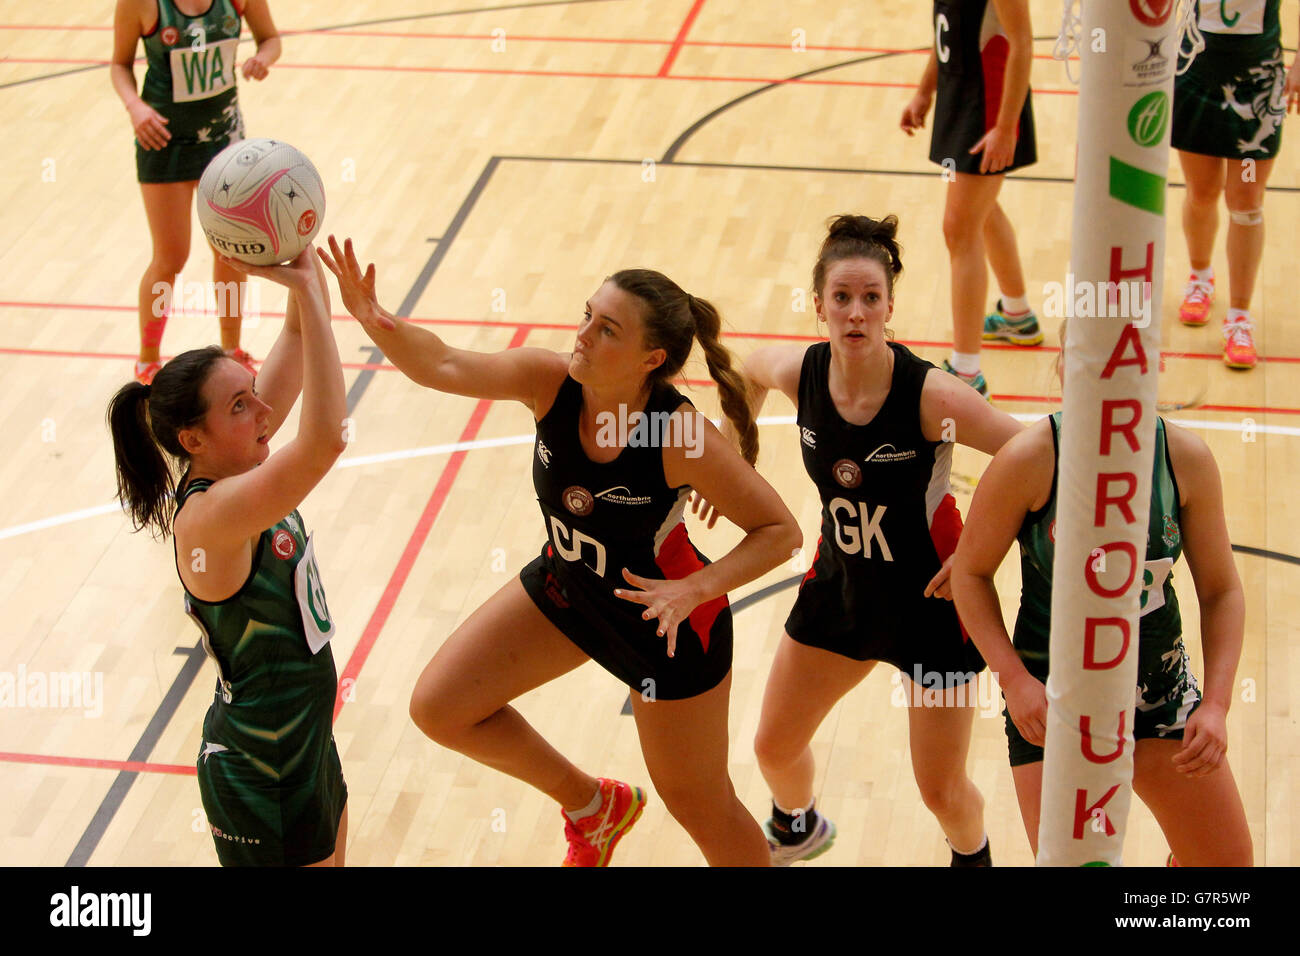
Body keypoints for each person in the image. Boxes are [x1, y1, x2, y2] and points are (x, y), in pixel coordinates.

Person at [319, 236, 801, 867]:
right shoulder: (549, 382)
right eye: (586, 316)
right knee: (441, 707)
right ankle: (591, 805)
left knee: (702, 805)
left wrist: (695, 589)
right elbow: (442, 364)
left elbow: (781, 532)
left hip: (669, 626)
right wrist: (373, 318)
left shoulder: (678, 435)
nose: (582, 335)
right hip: (569, 590)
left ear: (650, 358)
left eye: (606, 330)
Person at [697, 214, 1024, 866]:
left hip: (934, 609)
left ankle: (975, 860)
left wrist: (976, 551)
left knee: (942, 791)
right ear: (818, 305)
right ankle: (799, 827)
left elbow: (1031, 452)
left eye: (870, 298)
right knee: (772, 748)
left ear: (889, 308)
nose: (855, 312)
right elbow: (746, 374)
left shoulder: (931, 395)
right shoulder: (801, 371)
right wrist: (739, 453)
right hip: (841, 592)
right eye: (841, 297)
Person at [949, 327, 1253, 865]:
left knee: (1225, 881)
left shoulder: (1184, 458)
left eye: (1123, 368)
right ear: (1064, 366)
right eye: (1089, 364)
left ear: (1150, 370)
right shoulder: (1029, 459)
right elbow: (970, 575)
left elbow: (1223, 590)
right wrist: (1013, 680)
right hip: (1054, 708)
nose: (1106, 383)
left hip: (1161, 698)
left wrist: (1219, 704)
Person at [107, 246, 350, 866]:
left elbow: (296, 330)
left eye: (251, 392)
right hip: (262, 767)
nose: (265, 409)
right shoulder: (211, 516)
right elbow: (324, 441)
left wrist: (297, 248)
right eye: (240, 405)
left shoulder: (238, 456)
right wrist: (316, 300)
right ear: (194, 440)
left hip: (304, 743)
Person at [111, 0, 282, 385]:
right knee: (171, 257)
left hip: (224, 139)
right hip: (163, 141)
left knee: (232, 250)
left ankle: (231, 350)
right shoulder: (141, 4)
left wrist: (263, 58)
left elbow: (271, 39)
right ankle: (148, 359)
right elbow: (119, 65)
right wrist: (134, 106)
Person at [901, 0, 1040, 398]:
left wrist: (1006, 126)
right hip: (959, 93)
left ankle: (966, 374)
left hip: (991, 105)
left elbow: (1022, 43)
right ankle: (1017, 315)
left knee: (959, 228)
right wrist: (925, 92)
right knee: (981, 210)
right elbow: (946, 33)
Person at [1172, 0, 1299, 369]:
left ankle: (1240, 318)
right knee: (1202, 191)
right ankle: (1199, 278)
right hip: (1197, 73)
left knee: (1245, 202)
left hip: (1256, 85)